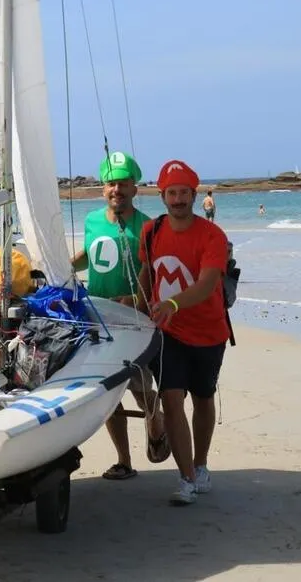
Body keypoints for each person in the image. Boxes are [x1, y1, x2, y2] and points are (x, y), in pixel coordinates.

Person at [138, 159, 231, 506]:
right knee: (171, 398)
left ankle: (201, 464)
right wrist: (138, 305)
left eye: (183, 193)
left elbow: (207, 284)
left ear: (194, 195)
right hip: (168, 332)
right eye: (171, 193)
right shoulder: (152, 231)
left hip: (208, 331)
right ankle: (187, 478)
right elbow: (147, 272)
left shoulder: (212, 236)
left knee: (203, 398)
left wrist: (173, 303)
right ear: (162, 196)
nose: (177, 199)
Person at [70, 151, 167, 481]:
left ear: (135, 189)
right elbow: (91, 255)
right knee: (108, 393)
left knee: (141, 391)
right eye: (111, 183)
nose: (117, 190)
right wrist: (62, 268)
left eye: (124, 184)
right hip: (97, 316)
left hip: (134, 321)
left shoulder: (148, 226)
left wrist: (138, 300)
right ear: (103, 188)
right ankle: (124, 460)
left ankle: (156, 426)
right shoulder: (92, 221)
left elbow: (153, 271)